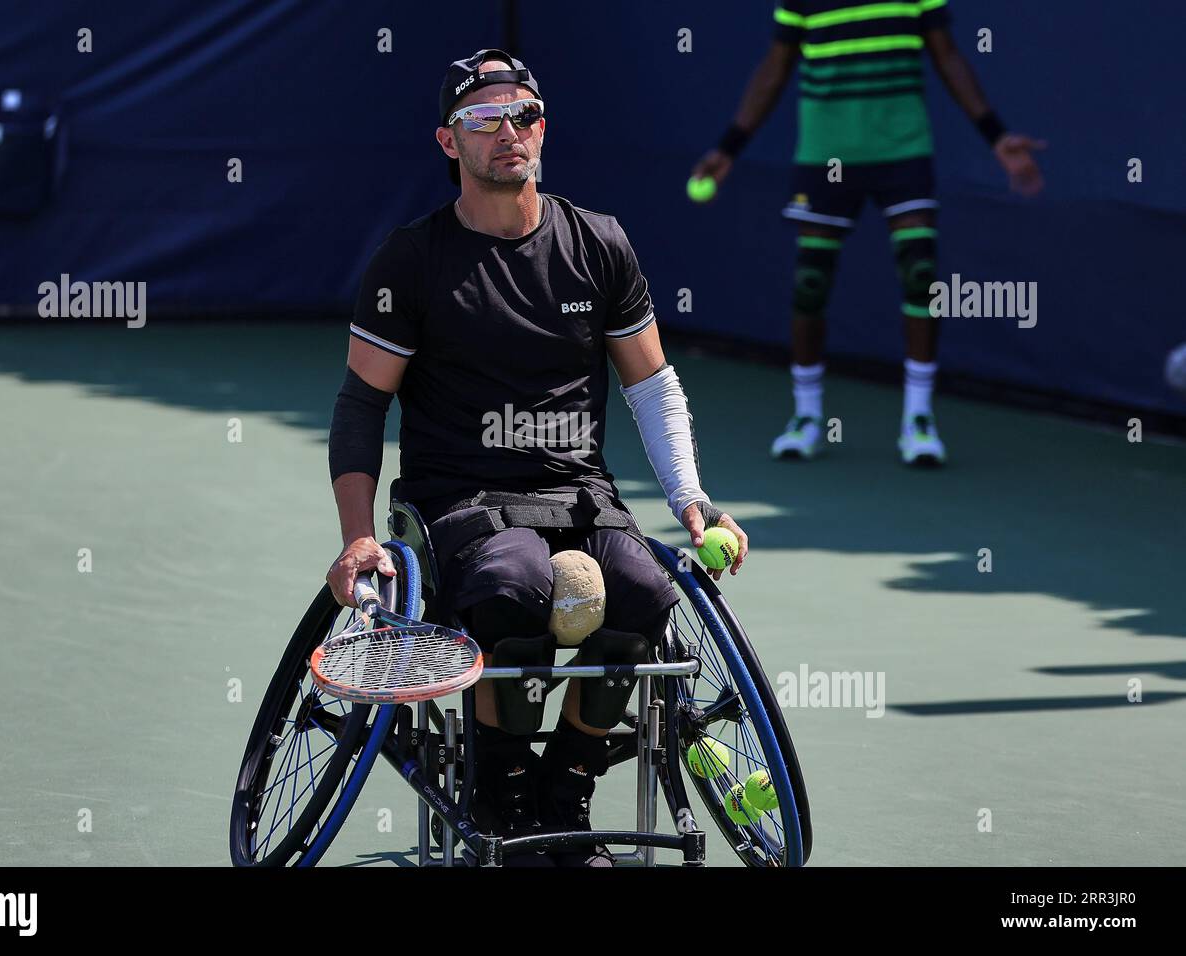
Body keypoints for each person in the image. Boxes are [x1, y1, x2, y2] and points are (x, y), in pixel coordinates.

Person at [326, 49, 748, 866]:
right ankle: (505, 790)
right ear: (450, 143)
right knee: (512, 584)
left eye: (521, 115)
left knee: (641, 590)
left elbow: (652, 387)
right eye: (482, 120)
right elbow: (360, 405)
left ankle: (568, 784)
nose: (506, 133)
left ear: (542, 129)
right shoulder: (410, 263)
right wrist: (357, 535)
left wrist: (691, 500)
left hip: (578, 493)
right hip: (460, 500)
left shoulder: (600, 244)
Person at [691, 0, 1045, 465]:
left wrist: (996, 135)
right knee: (810, 282)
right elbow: (775, 68)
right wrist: (728, 148)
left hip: (903, 151)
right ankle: (807, 415)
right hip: (824, 155)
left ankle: (918, 419)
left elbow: (948, 56)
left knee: (921, 273)